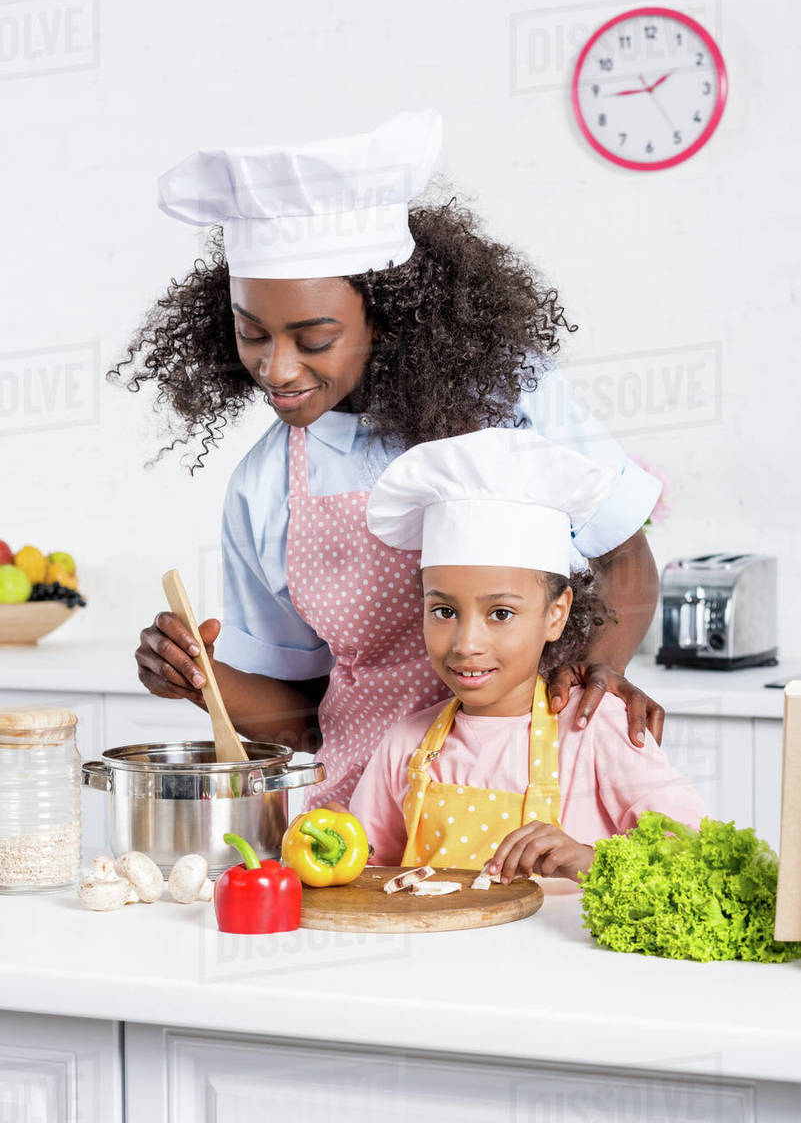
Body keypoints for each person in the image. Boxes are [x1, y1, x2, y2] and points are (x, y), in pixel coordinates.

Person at [114, 109, 665, 811]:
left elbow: (624, 557)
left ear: (389, 317)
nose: (276, 369)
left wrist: (598, 671)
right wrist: (199, 679)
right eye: (252, 334)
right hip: (365, 817)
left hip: (537, 796)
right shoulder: (264, 486)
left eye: (313, 339)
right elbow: (304, 718)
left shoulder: (512, 397)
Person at [350, 428, 706, 879]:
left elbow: (695, 854)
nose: (466, 643)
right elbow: (362, 872)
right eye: (443, 610)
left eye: (500, 613)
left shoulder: (594, 731)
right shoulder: (406, 744)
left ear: (556, 615)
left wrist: (590, 860)